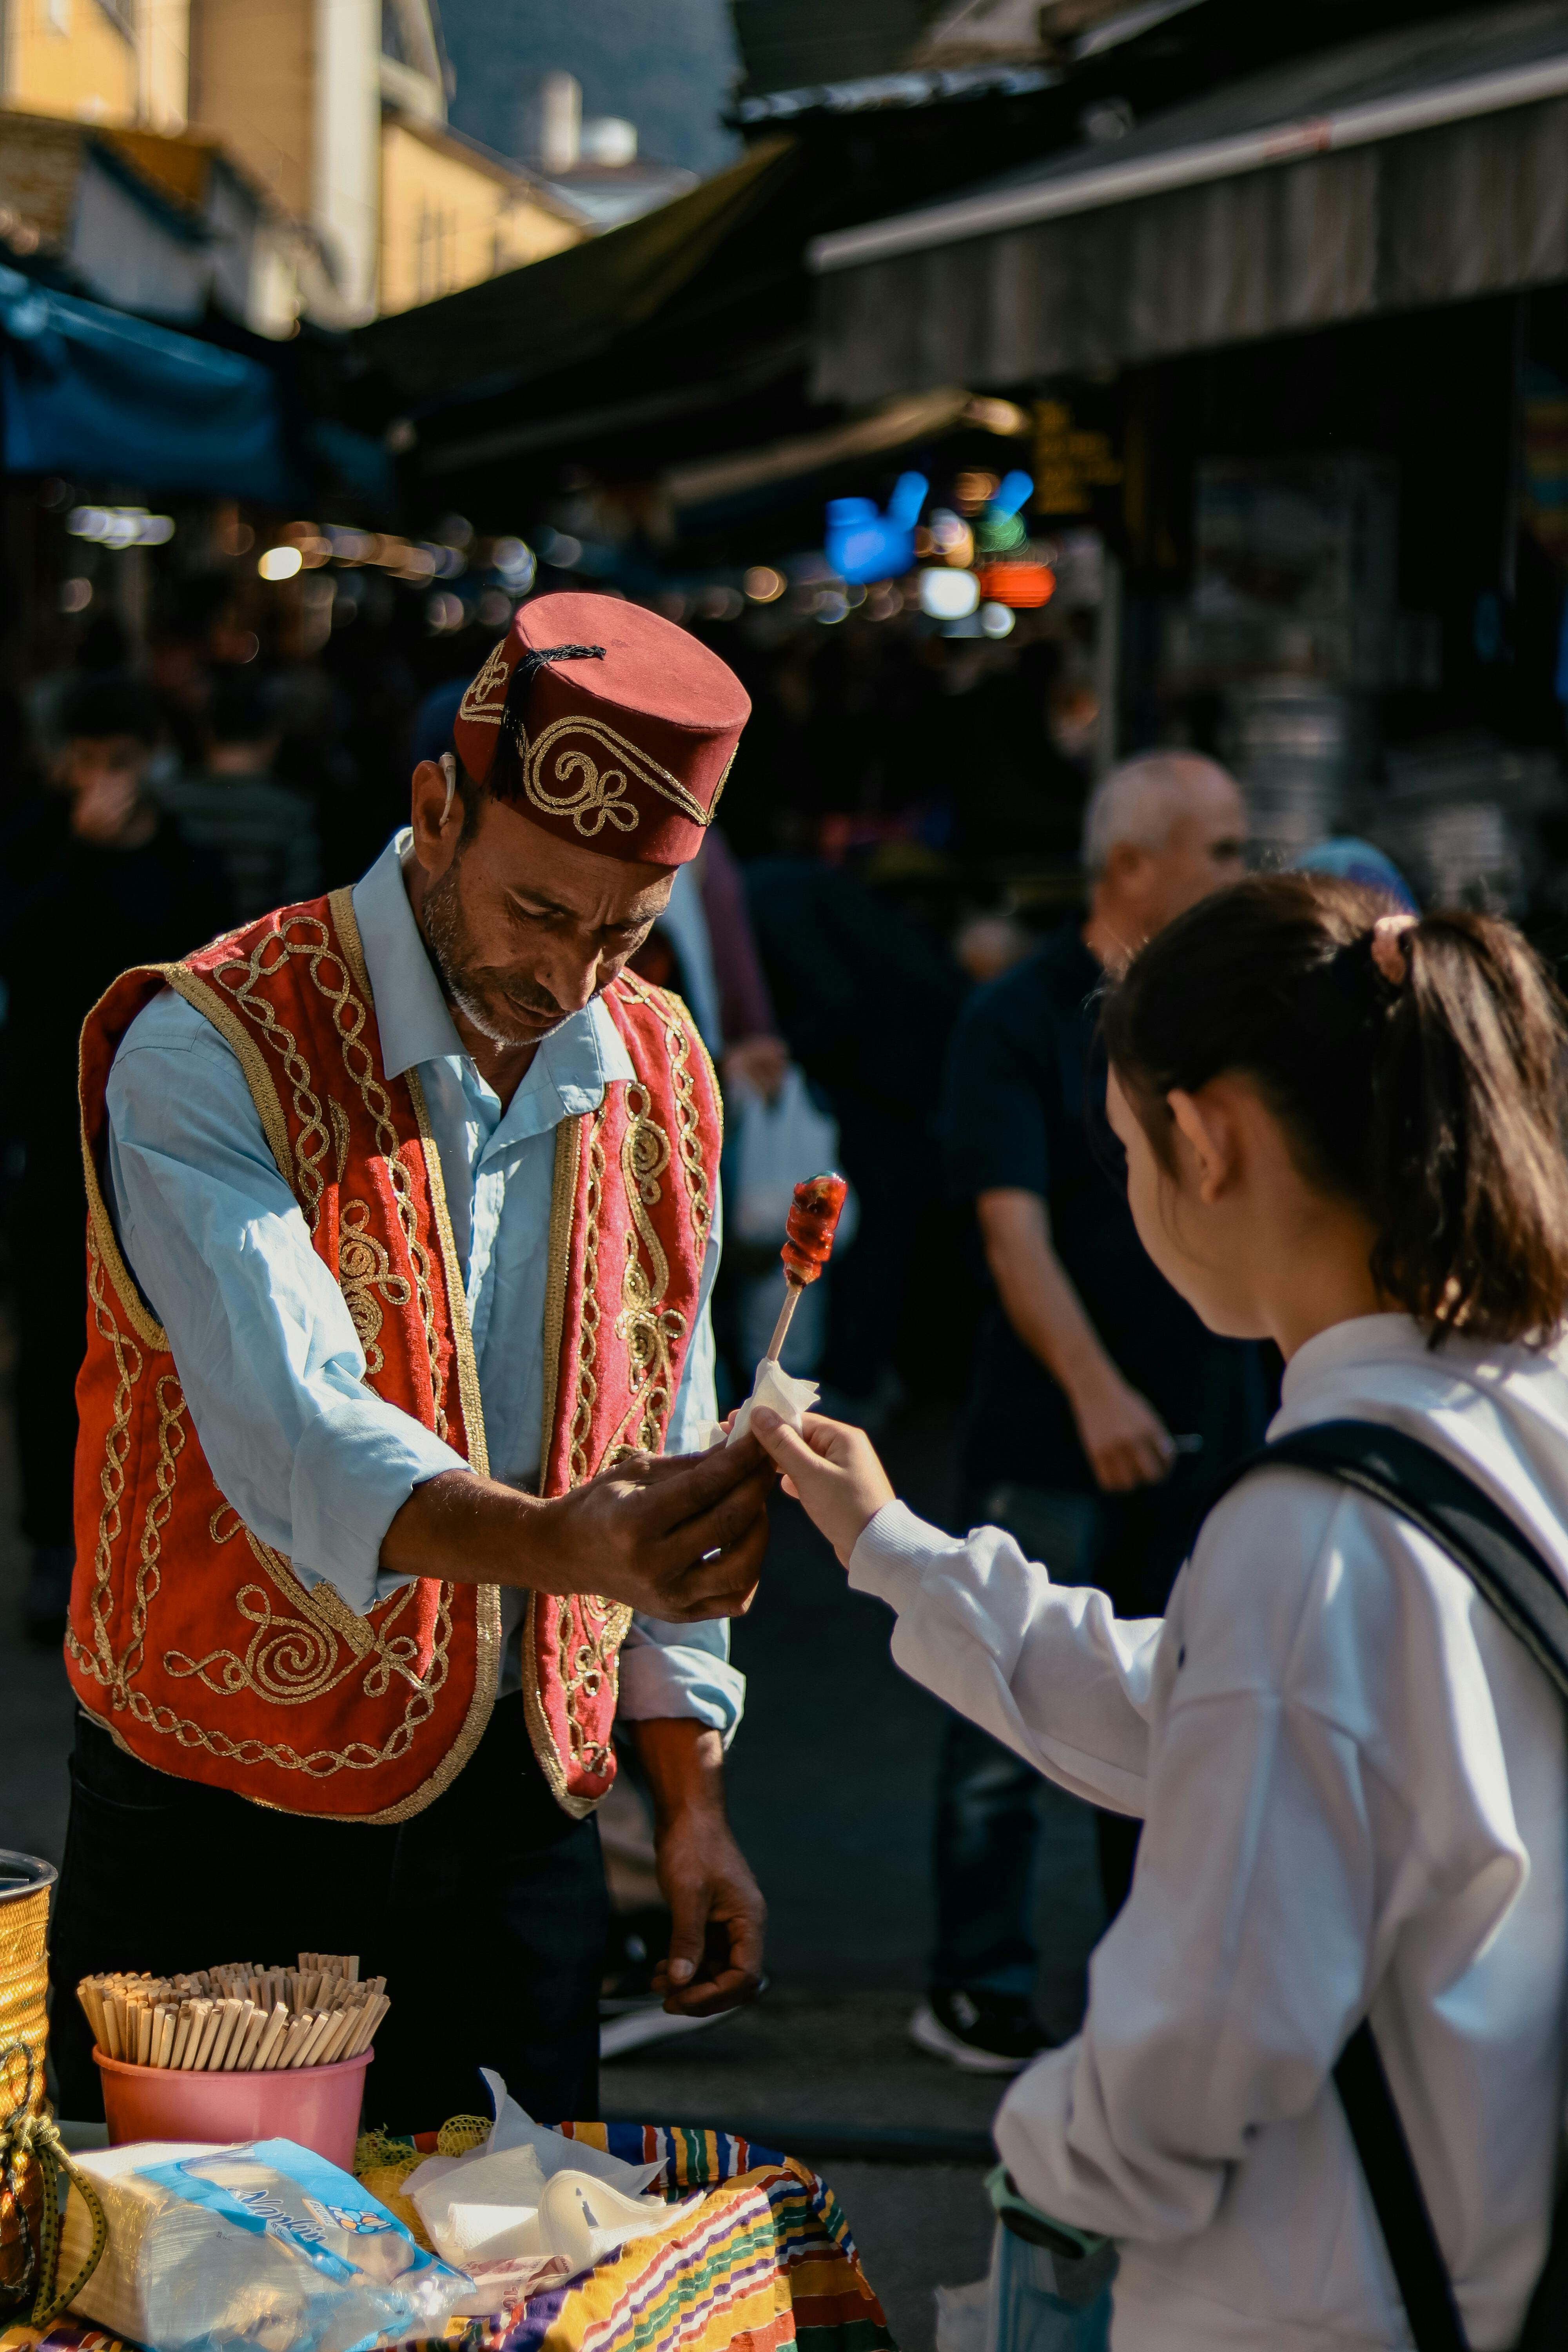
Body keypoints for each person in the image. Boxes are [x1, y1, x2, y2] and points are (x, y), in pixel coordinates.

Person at [754, 874, 1568, 2350]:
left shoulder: (1313, 1532)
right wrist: (890, 1543)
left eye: (1125, 1146)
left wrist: (1044, 2144)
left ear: (1201, 1139)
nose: (1127, 1183)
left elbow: (1196, 2042)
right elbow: (1201, 1712)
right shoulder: (1515, 1408)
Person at [49, 596, 776, 2129]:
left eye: (625, 930)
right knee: (206, 2287)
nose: (573, 976)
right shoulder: (211, 1045)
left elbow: (668, 1421)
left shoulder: (658, 1066)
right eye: (537, 912)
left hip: (524, 1825)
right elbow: (295, 1432)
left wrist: (687, 1792)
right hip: (222, 1810)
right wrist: (562, 1545)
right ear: (434, 811)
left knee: (508, 2269)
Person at [920, 752, 1267, 2072]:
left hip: (1209, 1420)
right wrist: (1098, 1391)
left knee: (1174, 1713)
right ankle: (976, 1985)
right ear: (1132, 862)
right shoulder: (1018, 1017)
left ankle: (1140, 1985)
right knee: (1008, 1703)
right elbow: (1014, 1233)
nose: (1242, 870)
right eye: (1223, 848)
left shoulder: (1217, 1014)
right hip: (1058, 1430)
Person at [0, 675, 221, 1640]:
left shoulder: (184, 866)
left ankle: (146, 1537)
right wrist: (79, 854)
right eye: (87, 763)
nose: (104, 782)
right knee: (51, 1343)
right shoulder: (37, 848)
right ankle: (56, 1541)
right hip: (53, 1145)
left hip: (159, 1146)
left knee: (166, 1341)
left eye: (120, 764)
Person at [151, 669, 320, 923]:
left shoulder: (168, 800)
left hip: (181, 956)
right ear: (273, 738)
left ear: (206, 733)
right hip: (259, 954)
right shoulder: (291, 810)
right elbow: (301, 906)